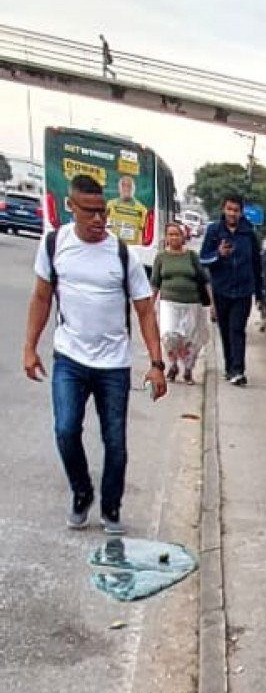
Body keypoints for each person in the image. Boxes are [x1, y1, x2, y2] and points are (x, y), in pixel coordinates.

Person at [23, 172, 167, 532]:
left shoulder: (122, 254)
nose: (98, 219)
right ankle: (81, 491)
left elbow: (145, 309)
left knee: (115, 442)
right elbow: (42, 298)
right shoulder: (54, 244)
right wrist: (30, 348)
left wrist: (156, 364)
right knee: (66, 430)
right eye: (89, 212)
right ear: (71, 207)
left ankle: (111, 508)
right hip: (69, 359)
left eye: (102, 211)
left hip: (114, 365)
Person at [199, 193, 262, 386]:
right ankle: (229, 367)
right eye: (229, 209)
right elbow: (203, 259)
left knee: (237, 329)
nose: (232, 213)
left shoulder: (249, 234)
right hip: (221, 290)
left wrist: (260, 293)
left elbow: (257, 264)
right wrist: (218, 254)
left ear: (241, 212)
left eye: (236, 210)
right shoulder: (214, 231)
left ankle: (238, 370)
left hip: (243, 290)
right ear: (223, 209)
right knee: (225, 331)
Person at [151, 219, 210, 383]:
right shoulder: (161, 257)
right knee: (169, 335)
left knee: (190, 339)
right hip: (169, 302)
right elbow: (155, 283)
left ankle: (188, 370)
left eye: (177, 234)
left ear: (183, 237)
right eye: (170, 235)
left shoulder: (192, 256)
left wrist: (212, 306)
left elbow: (204, 281)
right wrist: (149, 306)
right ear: (166, 237)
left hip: (192, 303)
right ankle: (173, 364)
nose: (174, 238)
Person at [106, 172, 149, 246]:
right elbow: (105, 226)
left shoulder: (142, 210)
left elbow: (144, 233)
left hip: (132, 250)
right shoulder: (110, 205)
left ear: (134, 189)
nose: (126, 188)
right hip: (112, 247)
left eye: (129, 186)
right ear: (119, 188)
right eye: (123, 185)